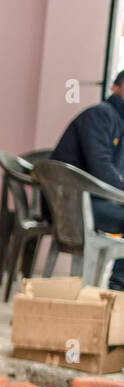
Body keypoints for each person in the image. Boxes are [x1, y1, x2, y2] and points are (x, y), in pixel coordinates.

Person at [50, 70, 124, 288]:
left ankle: (118, 289)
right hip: (70, 206)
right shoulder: (101, 115)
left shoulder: (118, 122)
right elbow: (102, 169)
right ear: (115, 88)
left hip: (91, 203)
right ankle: (118, 290)